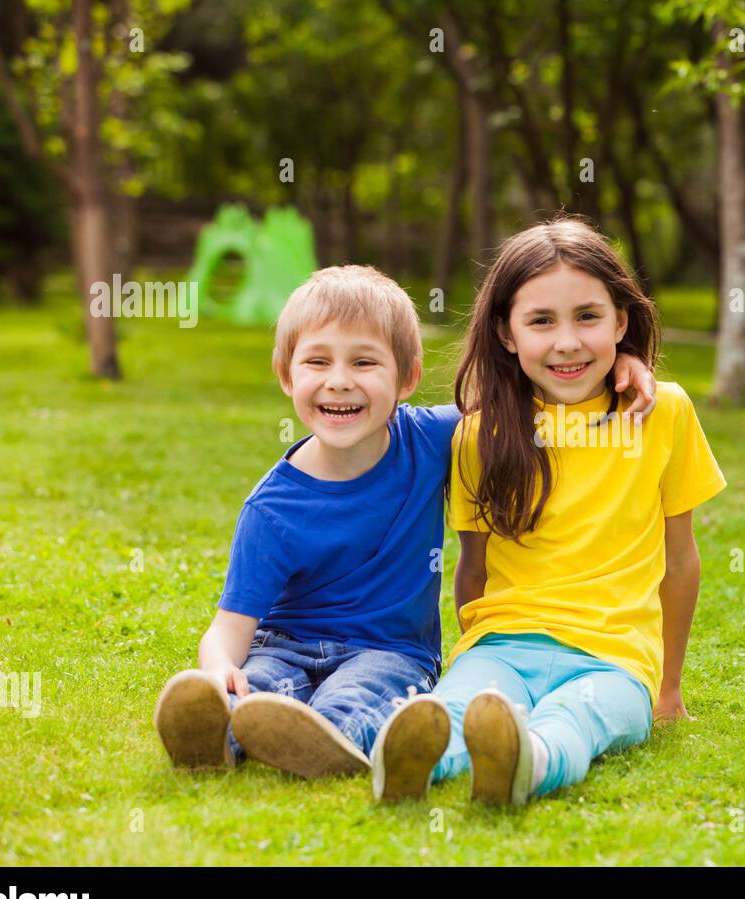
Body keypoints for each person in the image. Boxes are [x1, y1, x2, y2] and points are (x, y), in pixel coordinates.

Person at [153, 264, 656, 779]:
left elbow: (530, 395)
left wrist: (625, 362)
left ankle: (324, 739)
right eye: (317, 362)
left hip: (390, 651)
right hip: (286, 645)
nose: (340, 381)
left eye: (365, 362)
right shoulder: (272, 508)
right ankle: (217, 733)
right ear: (287, 375)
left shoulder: (434, 438)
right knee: (260, 682)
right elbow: (230, 627)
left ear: (407, 378)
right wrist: (218, 670)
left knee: (362, 694)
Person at [370, 218, 726, 805]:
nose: (567, 342)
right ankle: (410, 762)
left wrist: (667, 688)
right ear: (507, 334)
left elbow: (681, 561)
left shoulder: (664, 413)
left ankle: (528, 763)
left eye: (588, 316)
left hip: (615, 659)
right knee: (462, 706)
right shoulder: (481, 434)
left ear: (621, 322)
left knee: (577, 718)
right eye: (541, 321)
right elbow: (473, 568)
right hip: (504, 642)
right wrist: (476, 642)